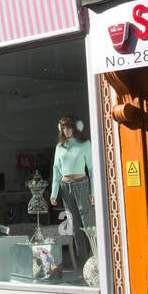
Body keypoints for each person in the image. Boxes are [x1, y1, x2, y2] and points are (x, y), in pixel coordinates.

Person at [49, 116, 94, 275]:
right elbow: (56, 170)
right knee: (74, 227)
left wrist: (93, 192)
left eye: (68, 127)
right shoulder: (60, 146)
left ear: (74, 128)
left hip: (81, 184)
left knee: (88, 223)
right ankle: (83, 266)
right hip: (65, 185)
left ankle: (95, 259)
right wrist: (54, 192)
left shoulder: (84, 144)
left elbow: (91, 168)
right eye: (63, 128)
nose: (65, 131)